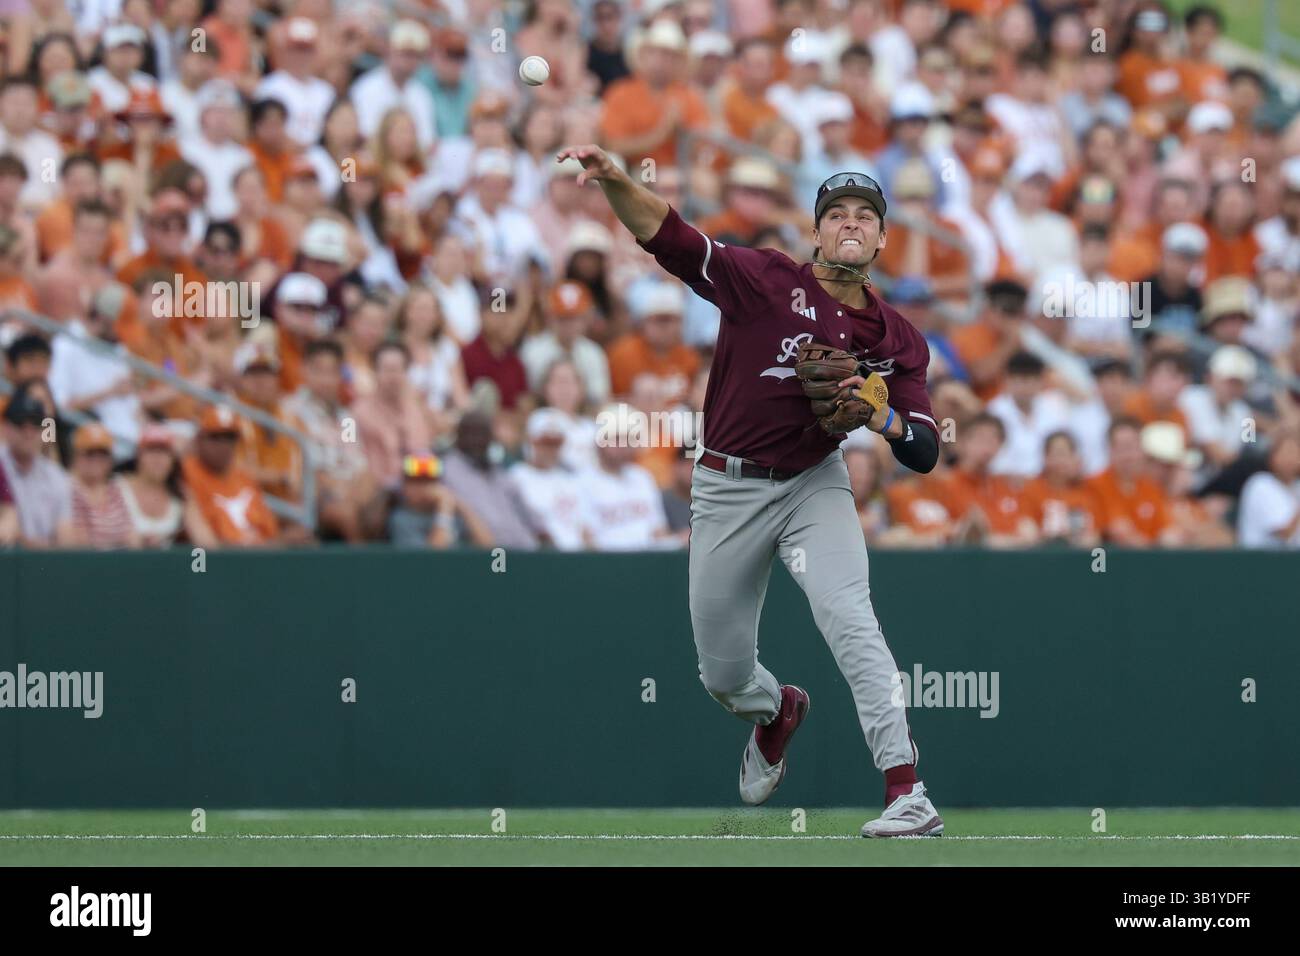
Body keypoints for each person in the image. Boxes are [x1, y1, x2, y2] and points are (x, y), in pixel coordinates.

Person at [556, 143, 943, 837]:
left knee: (851, 618)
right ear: (816, 230)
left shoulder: (894, 337)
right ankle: (777, 710)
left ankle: (905, 788)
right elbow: (670, 237)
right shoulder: (765, 280)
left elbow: (924, 449)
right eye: (837, 214)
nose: (851, 223)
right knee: (722, 675)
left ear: (883, 237)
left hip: (813, 485)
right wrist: (618, 182)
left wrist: (880, 414)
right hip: (727, 486)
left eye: (866, 215)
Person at [181, 404, 280, 547]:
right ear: (199, 440)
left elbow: (270, 533)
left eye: (230, 437)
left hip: (257, 558)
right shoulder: (185, 472)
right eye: (215, 437)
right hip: (210, 561)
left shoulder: (244, 477)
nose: (224, 445)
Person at [0, 383, 74, 547]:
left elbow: (66, 540)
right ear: (6, 427)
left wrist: (30, 544)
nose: (28, 433)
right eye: (21, 425)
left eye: (35, 426)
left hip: (47, 566)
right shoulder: (1, 464)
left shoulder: (56, 475)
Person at [387, 453, 492, 549]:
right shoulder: (402, 519)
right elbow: (431, 561)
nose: (423, 487)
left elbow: (488, 546)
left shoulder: (453, 511)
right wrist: (444, 510)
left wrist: (460, 505)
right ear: (404, 485)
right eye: (416, 481)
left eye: (428, 481)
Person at [67, 422, 138, 549]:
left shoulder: (114, 489)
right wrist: (118, 544)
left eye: (102, 454)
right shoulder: (68, 487)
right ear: (76, 456)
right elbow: (80, 541)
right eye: (90, 454)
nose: (96, 460)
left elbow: (132, 536)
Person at [117, 422, 184, 547]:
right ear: (139, 455)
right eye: (151, 451)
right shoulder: (117, 487)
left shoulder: (179, 494)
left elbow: (205, 543)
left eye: (164, 452)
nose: (157, 459)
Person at [1236, 431, 1300, 549]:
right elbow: (1285, 533)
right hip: (1260, 563)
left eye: (1295, 453)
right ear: (1272, 456)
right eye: (1286, 452)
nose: (1290, 459)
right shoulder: (1260, 484)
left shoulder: (1297, 487)